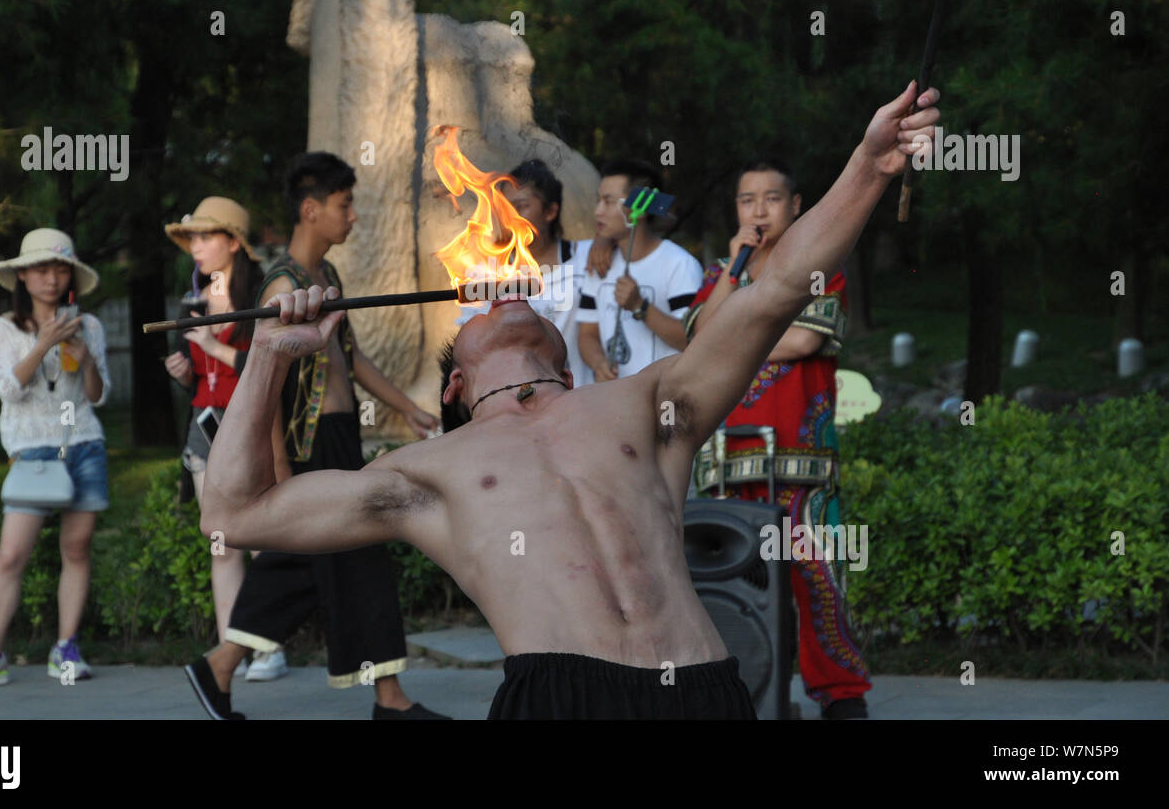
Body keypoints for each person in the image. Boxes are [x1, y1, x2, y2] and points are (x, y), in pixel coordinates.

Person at [200, 83, 941, 719]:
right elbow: (232, 512)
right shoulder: (428, 474)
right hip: (557, 695)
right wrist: (266, 355)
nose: (503, 284)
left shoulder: (646, 404)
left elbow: (776, 291)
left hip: (702, 688)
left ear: (558, 345)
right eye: (481, 305)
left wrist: (869, 168)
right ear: (456, 383)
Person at [184, 152, 447, 719]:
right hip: (307, 448)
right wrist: (278, 472)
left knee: (320, 559)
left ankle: (221, 666)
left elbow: (352, 361)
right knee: (356, 554)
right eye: (343, 205)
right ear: (311, 209)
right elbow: (267, 384)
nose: (352, 216)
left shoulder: (327, 278)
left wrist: (409, 409)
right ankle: (389, 699)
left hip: (342, 436)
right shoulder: (283, 285)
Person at [685, 160, 871, 719]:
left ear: (796, 206)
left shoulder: (820, 266)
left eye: (771, 198)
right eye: (746, 200)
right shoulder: (722, 271)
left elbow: (805, 342)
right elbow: (697, 340)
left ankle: (841, 699)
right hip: (727, 465)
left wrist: (728, 341)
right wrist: (729, 282)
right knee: (735, 592)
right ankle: (751, 696)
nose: (758, 210)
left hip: (800, 464)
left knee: (817, 583)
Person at [0, 229, 111, 690]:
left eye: (59, 268)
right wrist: (43, 343)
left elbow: (99, 397)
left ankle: (65, 647)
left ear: (71, 276)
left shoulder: (91, 326)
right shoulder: (5, 327)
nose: (50, 277)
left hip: (83, 443)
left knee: (76, 549)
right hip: (32, 452)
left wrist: (85, 361)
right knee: (11, 554)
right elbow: (7, 388)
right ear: (22, 275)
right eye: (41, 269)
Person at [162, 197, 264, 672]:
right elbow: (198, 374)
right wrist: (183, 370)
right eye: (192, 240)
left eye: (206, 237)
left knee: (262, 535)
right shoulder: (191, 301)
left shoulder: (262, 295)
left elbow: (265, 370)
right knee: (221, 539)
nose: (196, 248)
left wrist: (212, 348)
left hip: (250, 425)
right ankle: (231, 652)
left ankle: (266, 647)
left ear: (234, 241)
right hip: (204, 425)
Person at [456, 159, 594, 387]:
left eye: (521, 206)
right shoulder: (486, 274)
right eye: (504, 208)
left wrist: (606, 244)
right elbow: (472, 346)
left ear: (550, 211)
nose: (510, 216)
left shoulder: (587, 258)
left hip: (579, 397)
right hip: (515, 403)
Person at [577, 159, 703, 381]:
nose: (597, 211)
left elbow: (693, 338)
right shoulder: (598, 263)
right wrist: (598, 364)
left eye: (608, 202)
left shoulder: (680, 265)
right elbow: (587, 334)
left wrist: (640, 306)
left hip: (663, 401)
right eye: (599, 201)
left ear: (640, 209)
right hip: (614, 402)